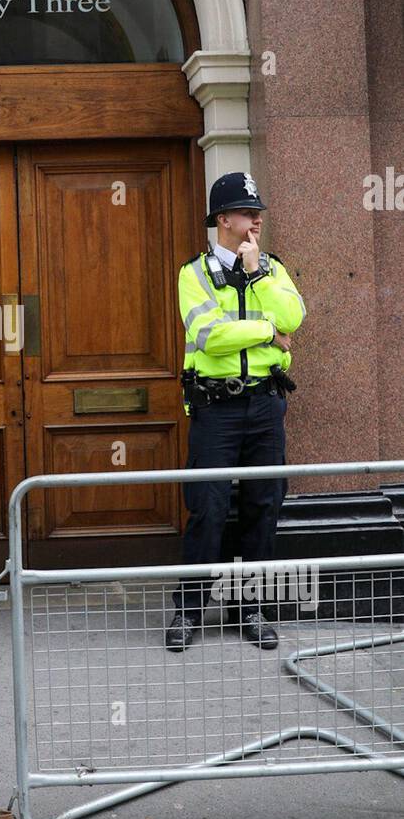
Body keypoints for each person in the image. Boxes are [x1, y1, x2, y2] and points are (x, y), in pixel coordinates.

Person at [165, 173, 306, 652]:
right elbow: (210, 335)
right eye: (248, 212)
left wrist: (260, 275)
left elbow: (295, 318)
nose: (257, 219)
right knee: (207, 508)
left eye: (258, 212)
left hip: (266, 404)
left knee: (263, 507)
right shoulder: (194, 273)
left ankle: (252, 609)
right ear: (223, 220)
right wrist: (267, 332)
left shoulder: (272, 268)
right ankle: (188, 611)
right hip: (216, 408)